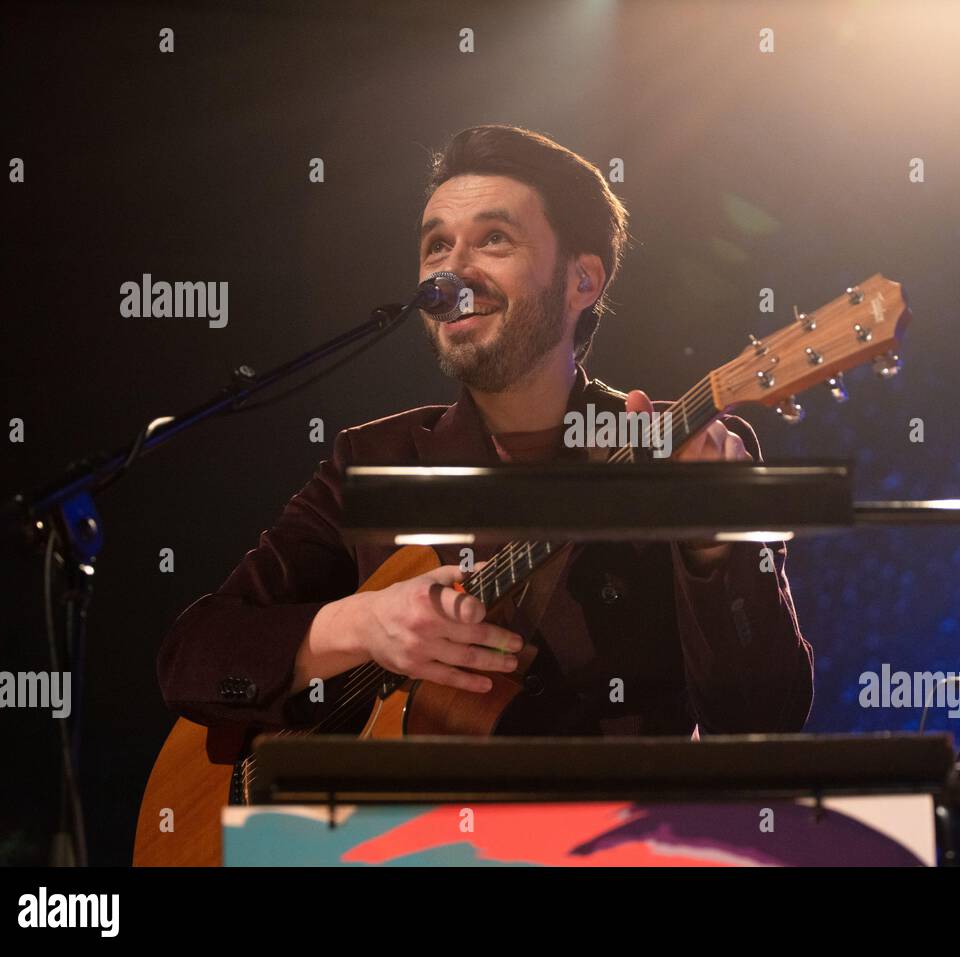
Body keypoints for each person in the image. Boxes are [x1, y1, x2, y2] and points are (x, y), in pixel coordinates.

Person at [157, 125, 813, 737]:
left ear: (583, 279)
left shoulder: (682, 452)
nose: (452, 271)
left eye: (494, 239)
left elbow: (765, 717)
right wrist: (366, 622)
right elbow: (192, 657)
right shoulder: (373, 459)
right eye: (436, 245)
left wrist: (710, 548)